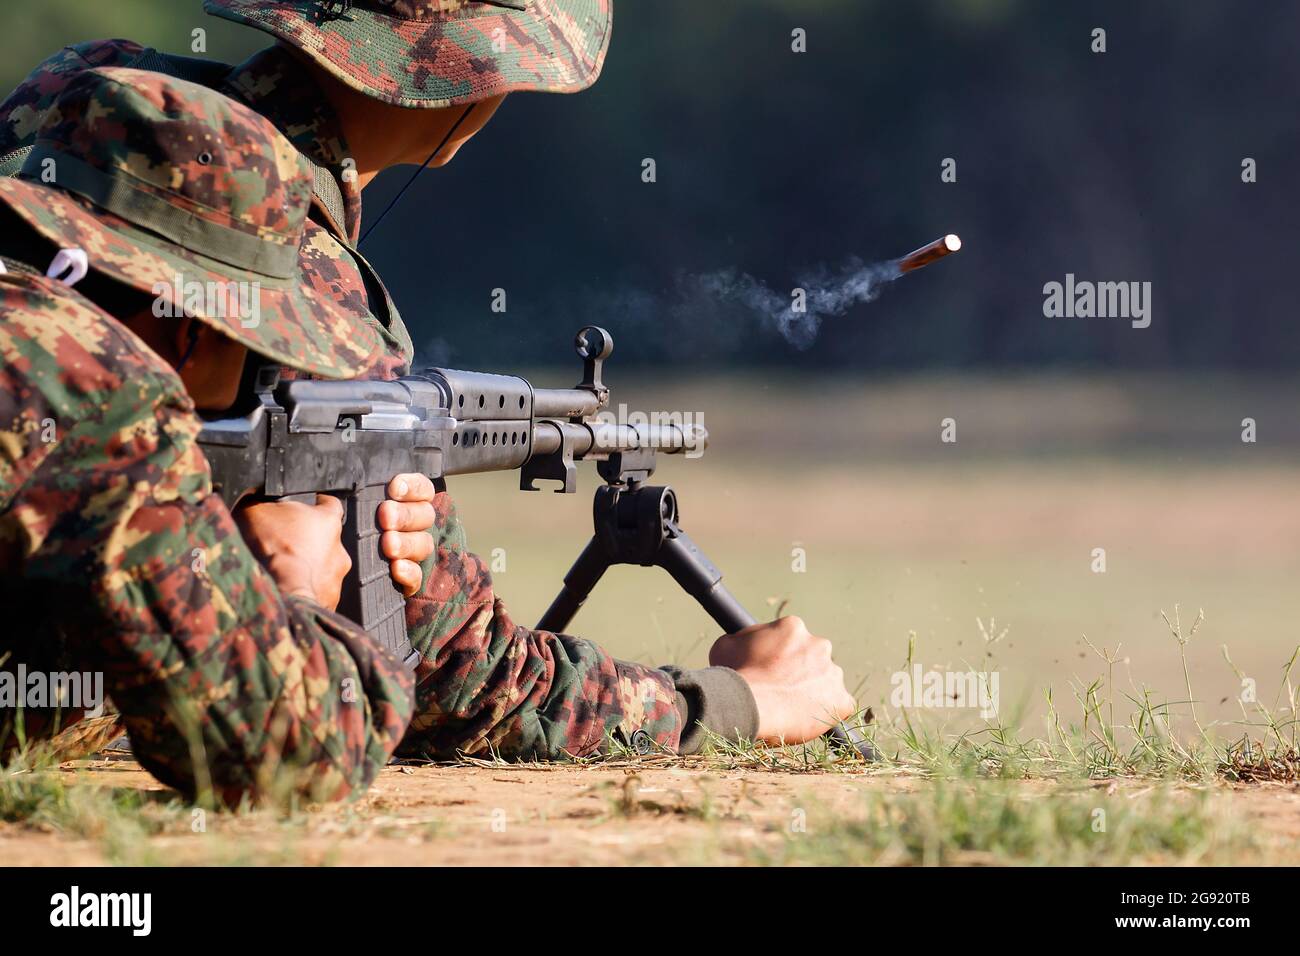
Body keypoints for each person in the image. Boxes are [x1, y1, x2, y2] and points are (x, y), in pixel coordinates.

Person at [0, 1, 859, 764]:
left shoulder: (77, 99)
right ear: (472, 91)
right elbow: (452, 681)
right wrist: (742, 701)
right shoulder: (307, 294)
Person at [0, 66, 415, 803]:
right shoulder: (90, 383)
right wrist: (294, 586)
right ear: (188, 327)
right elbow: (296, 749)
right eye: (260, 349)